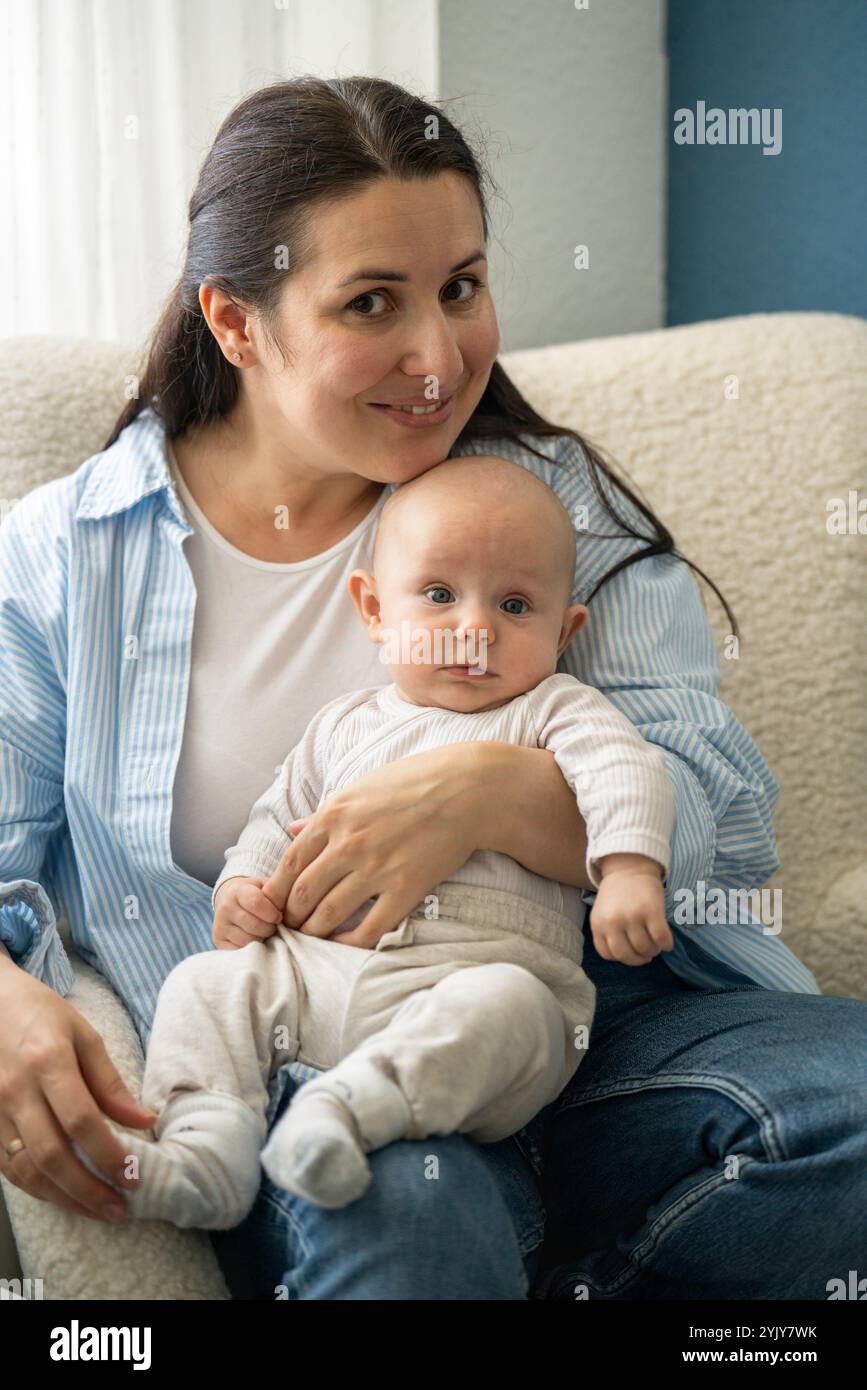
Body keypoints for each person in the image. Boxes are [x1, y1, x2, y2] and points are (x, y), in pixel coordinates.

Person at [0, 74, 864, 1301]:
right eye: (372, 302)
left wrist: (495, 794)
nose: (439, 354)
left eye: (461, 285)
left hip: (593, 1027)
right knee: (394, 1209)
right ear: (238, 324)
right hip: (325, 1053)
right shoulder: (62, 557)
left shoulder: (548, 506)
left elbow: (725, 836)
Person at [96, 453, 674, 1226]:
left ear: (564, 631)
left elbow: (623, 770)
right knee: (204, 984)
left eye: (513, 605)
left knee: (512, 1011)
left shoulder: (552, 710)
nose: (472, 628)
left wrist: (631, 869)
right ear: (373, 610)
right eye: (438, 594)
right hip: (316, 975)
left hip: (470, 978)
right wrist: (244, 887)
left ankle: (355, 1109)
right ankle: (207, 1149)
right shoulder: (343, 724)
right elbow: (277, 816)